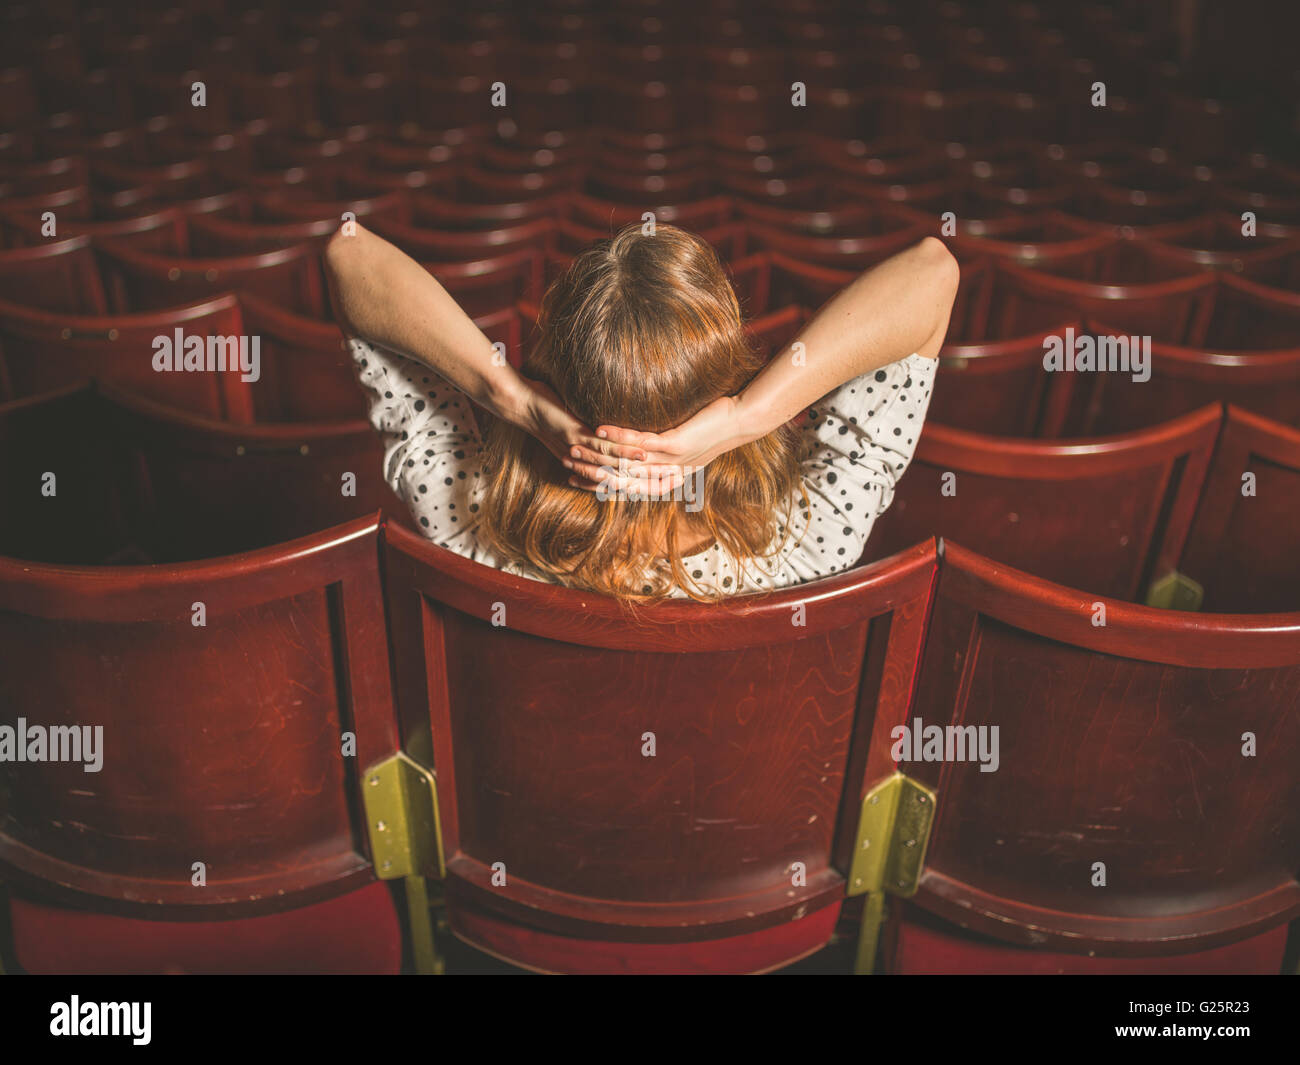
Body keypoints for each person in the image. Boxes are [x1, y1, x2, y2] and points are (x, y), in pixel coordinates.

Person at [325, 222, 958, 601]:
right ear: (727, 374)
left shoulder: (471, 523)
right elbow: (932, 272)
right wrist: (743, 416)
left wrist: (513, 398)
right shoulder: (799, 545)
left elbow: (350, 253)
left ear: (550, 372)